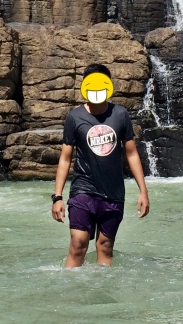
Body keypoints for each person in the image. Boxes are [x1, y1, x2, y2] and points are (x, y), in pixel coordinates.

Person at [51, 64, 149, 267]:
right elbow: (65, 158)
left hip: (113, 193)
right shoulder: (74, 117)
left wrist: (143, 191)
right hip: (83, 189)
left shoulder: (120, 115)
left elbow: (131, 153)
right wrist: (57, 197)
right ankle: (71, 290)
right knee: (78, 243)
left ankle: (101, 292)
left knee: (105, 246)